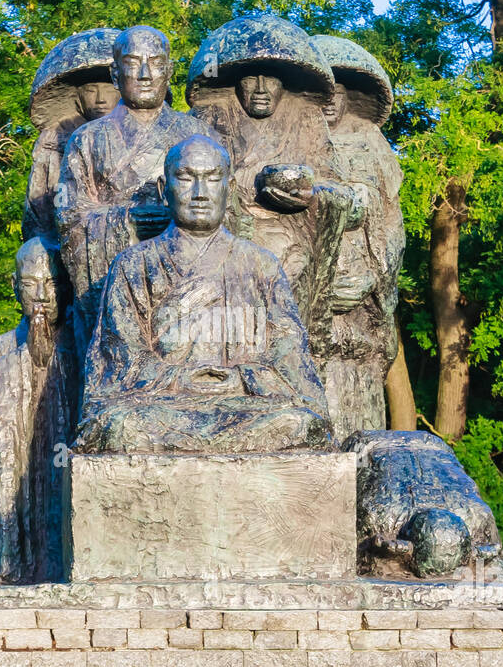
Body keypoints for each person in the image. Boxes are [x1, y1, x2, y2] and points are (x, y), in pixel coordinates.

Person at [75, 135, 333, 454]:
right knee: (120, 427)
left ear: (230, 187)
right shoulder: (133, 265)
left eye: (212, 179)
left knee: (300, 424)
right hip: (165, 411)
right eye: (186, 178)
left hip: (245, 410)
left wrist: (240, 379)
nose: (199, 193)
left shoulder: (261, 265)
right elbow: (118, 363)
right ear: (163, 190)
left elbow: (290, 359)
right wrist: (181, 379)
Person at [187, 14, 364, 353]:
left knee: (287, 272)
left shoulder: (307, 120)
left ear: (285, 83)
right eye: (250, 79)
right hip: (219, 235)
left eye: (270, 80)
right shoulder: (208, 118)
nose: (260, 89)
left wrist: (310, 195)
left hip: (290, 239)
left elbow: (344, 196)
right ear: (235, 81)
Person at [55, 26, 218, 359]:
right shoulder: (87, 140)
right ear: (115, 74)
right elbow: (69, 219)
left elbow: (228, 209)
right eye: (132, 62)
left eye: (156, 62)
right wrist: (126, 221)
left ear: (169, 71)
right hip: (111, 279)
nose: (145, 74)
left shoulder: (197, 134)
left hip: (186, 280)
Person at [0, 237, 77, 584]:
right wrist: (21, 360)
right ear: (15, 287)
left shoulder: (83, 344)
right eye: (30, 283)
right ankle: (7, 553)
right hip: (16, 472)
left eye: (52, 282)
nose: (41, 294)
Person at [312, 34, 407, 441]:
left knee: (357, 393)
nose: (331, 100)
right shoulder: (292, 143)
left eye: (339, 91)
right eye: (323, 92)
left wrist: (374, 276)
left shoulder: (371, 142)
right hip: (312, 280)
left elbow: (390, 222)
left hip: (362, 281)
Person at [23, 28, 122, 242]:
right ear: (78, 98)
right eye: (91, 91)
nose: (100, 99)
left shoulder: (142, 136)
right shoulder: (54, 138)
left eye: (109, 90)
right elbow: (40, 202)